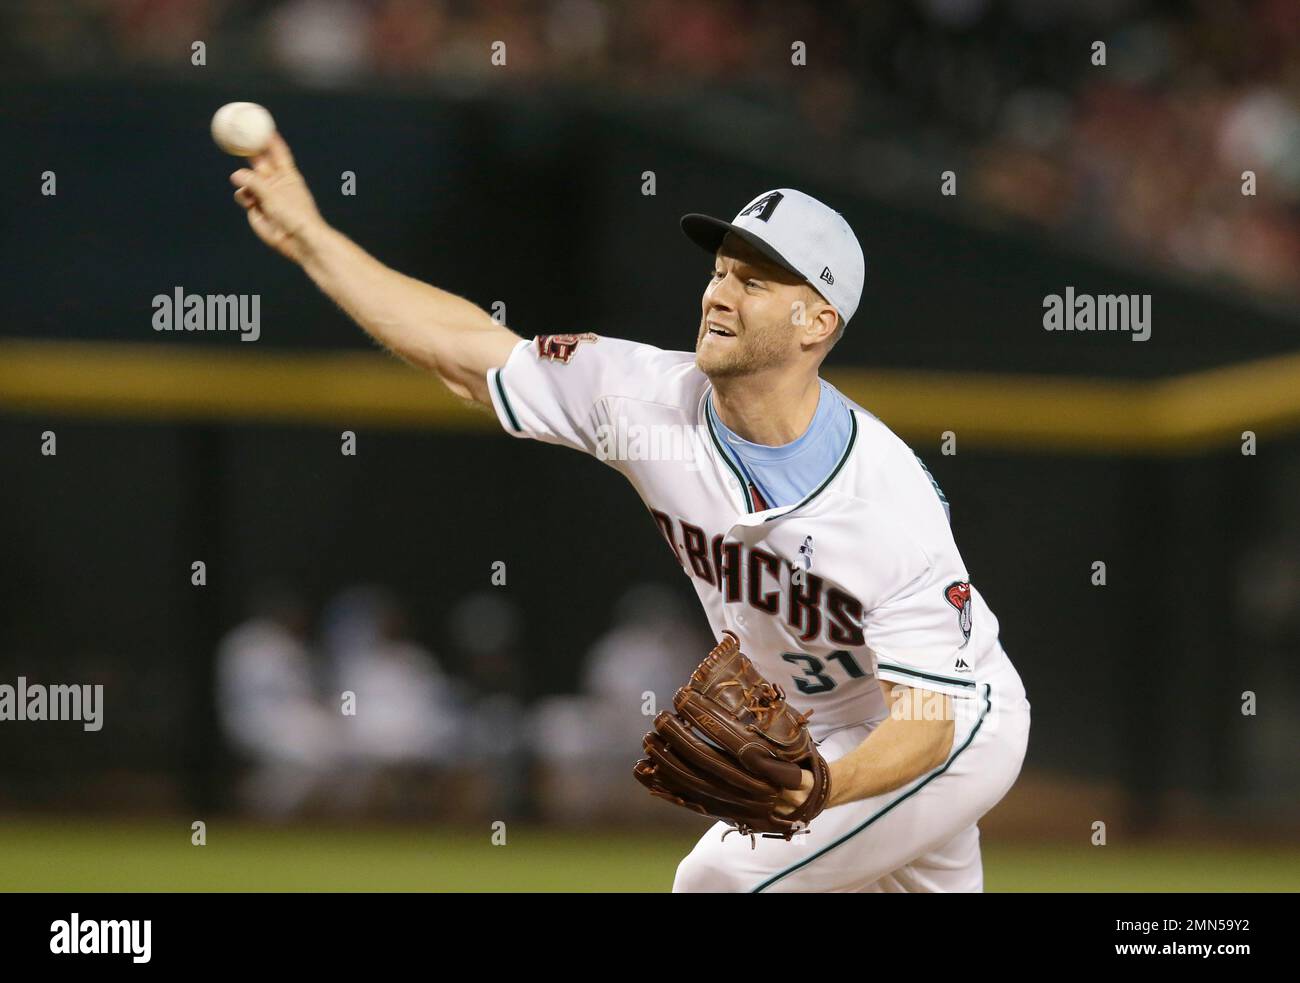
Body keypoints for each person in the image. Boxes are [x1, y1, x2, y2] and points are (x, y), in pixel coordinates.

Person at [227, 134, 1031, 892]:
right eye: (720, 270)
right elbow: (465, 351)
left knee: (719, 879)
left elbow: (927, 718)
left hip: (950, 729)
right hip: (821, 726)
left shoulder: (885, 500)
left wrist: (818, 787)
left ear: (816, 323)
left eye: (755, 282)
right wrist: (309, 236)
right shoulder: (643, 400)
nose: (720, 293)